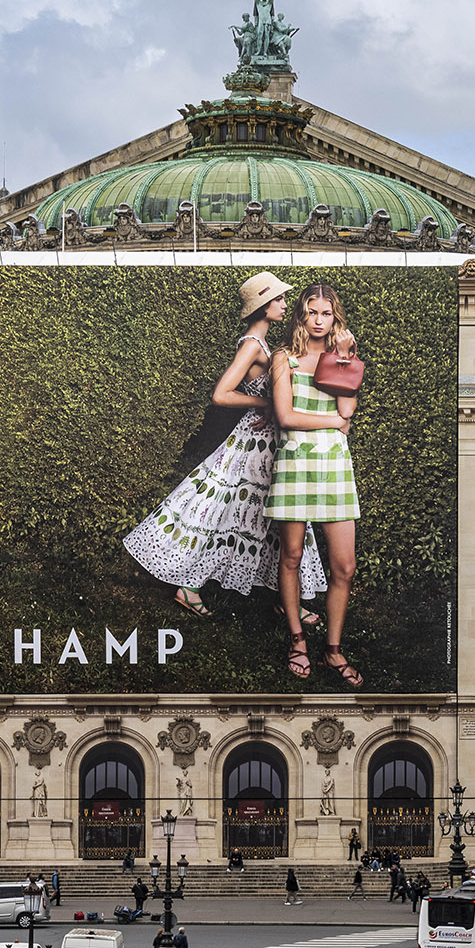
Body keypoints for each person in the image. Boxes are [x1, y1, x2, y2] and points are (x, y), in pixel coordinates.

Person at [123, 270, 328, 626]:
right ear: (263, 306)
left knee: (274, 519)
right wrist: (265, 406)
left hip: (268, 442)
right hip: (254, 443)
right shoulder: (252, 345)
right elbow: (221, 393)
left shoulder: (263, 344)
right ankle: (190, 585)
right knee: (228, 511)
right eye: (278, 299)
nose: (284, 304)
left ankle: (286, 600)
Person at [269, 282, 362, 685]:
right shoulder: (282, 359)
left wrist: (342, 359)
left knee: (345, 565)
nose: (319, 320)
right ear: (301, 316)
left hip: (335, 468)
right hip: (294, 463)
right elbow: (286, 418)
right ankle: (297, 640)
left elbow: (347, 409)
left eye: (326, 313)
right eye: (312, 312)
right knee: (290, 557)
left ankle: (333, 649)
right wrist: (333, 425)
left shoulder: (344, 357)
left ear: (335, 316)